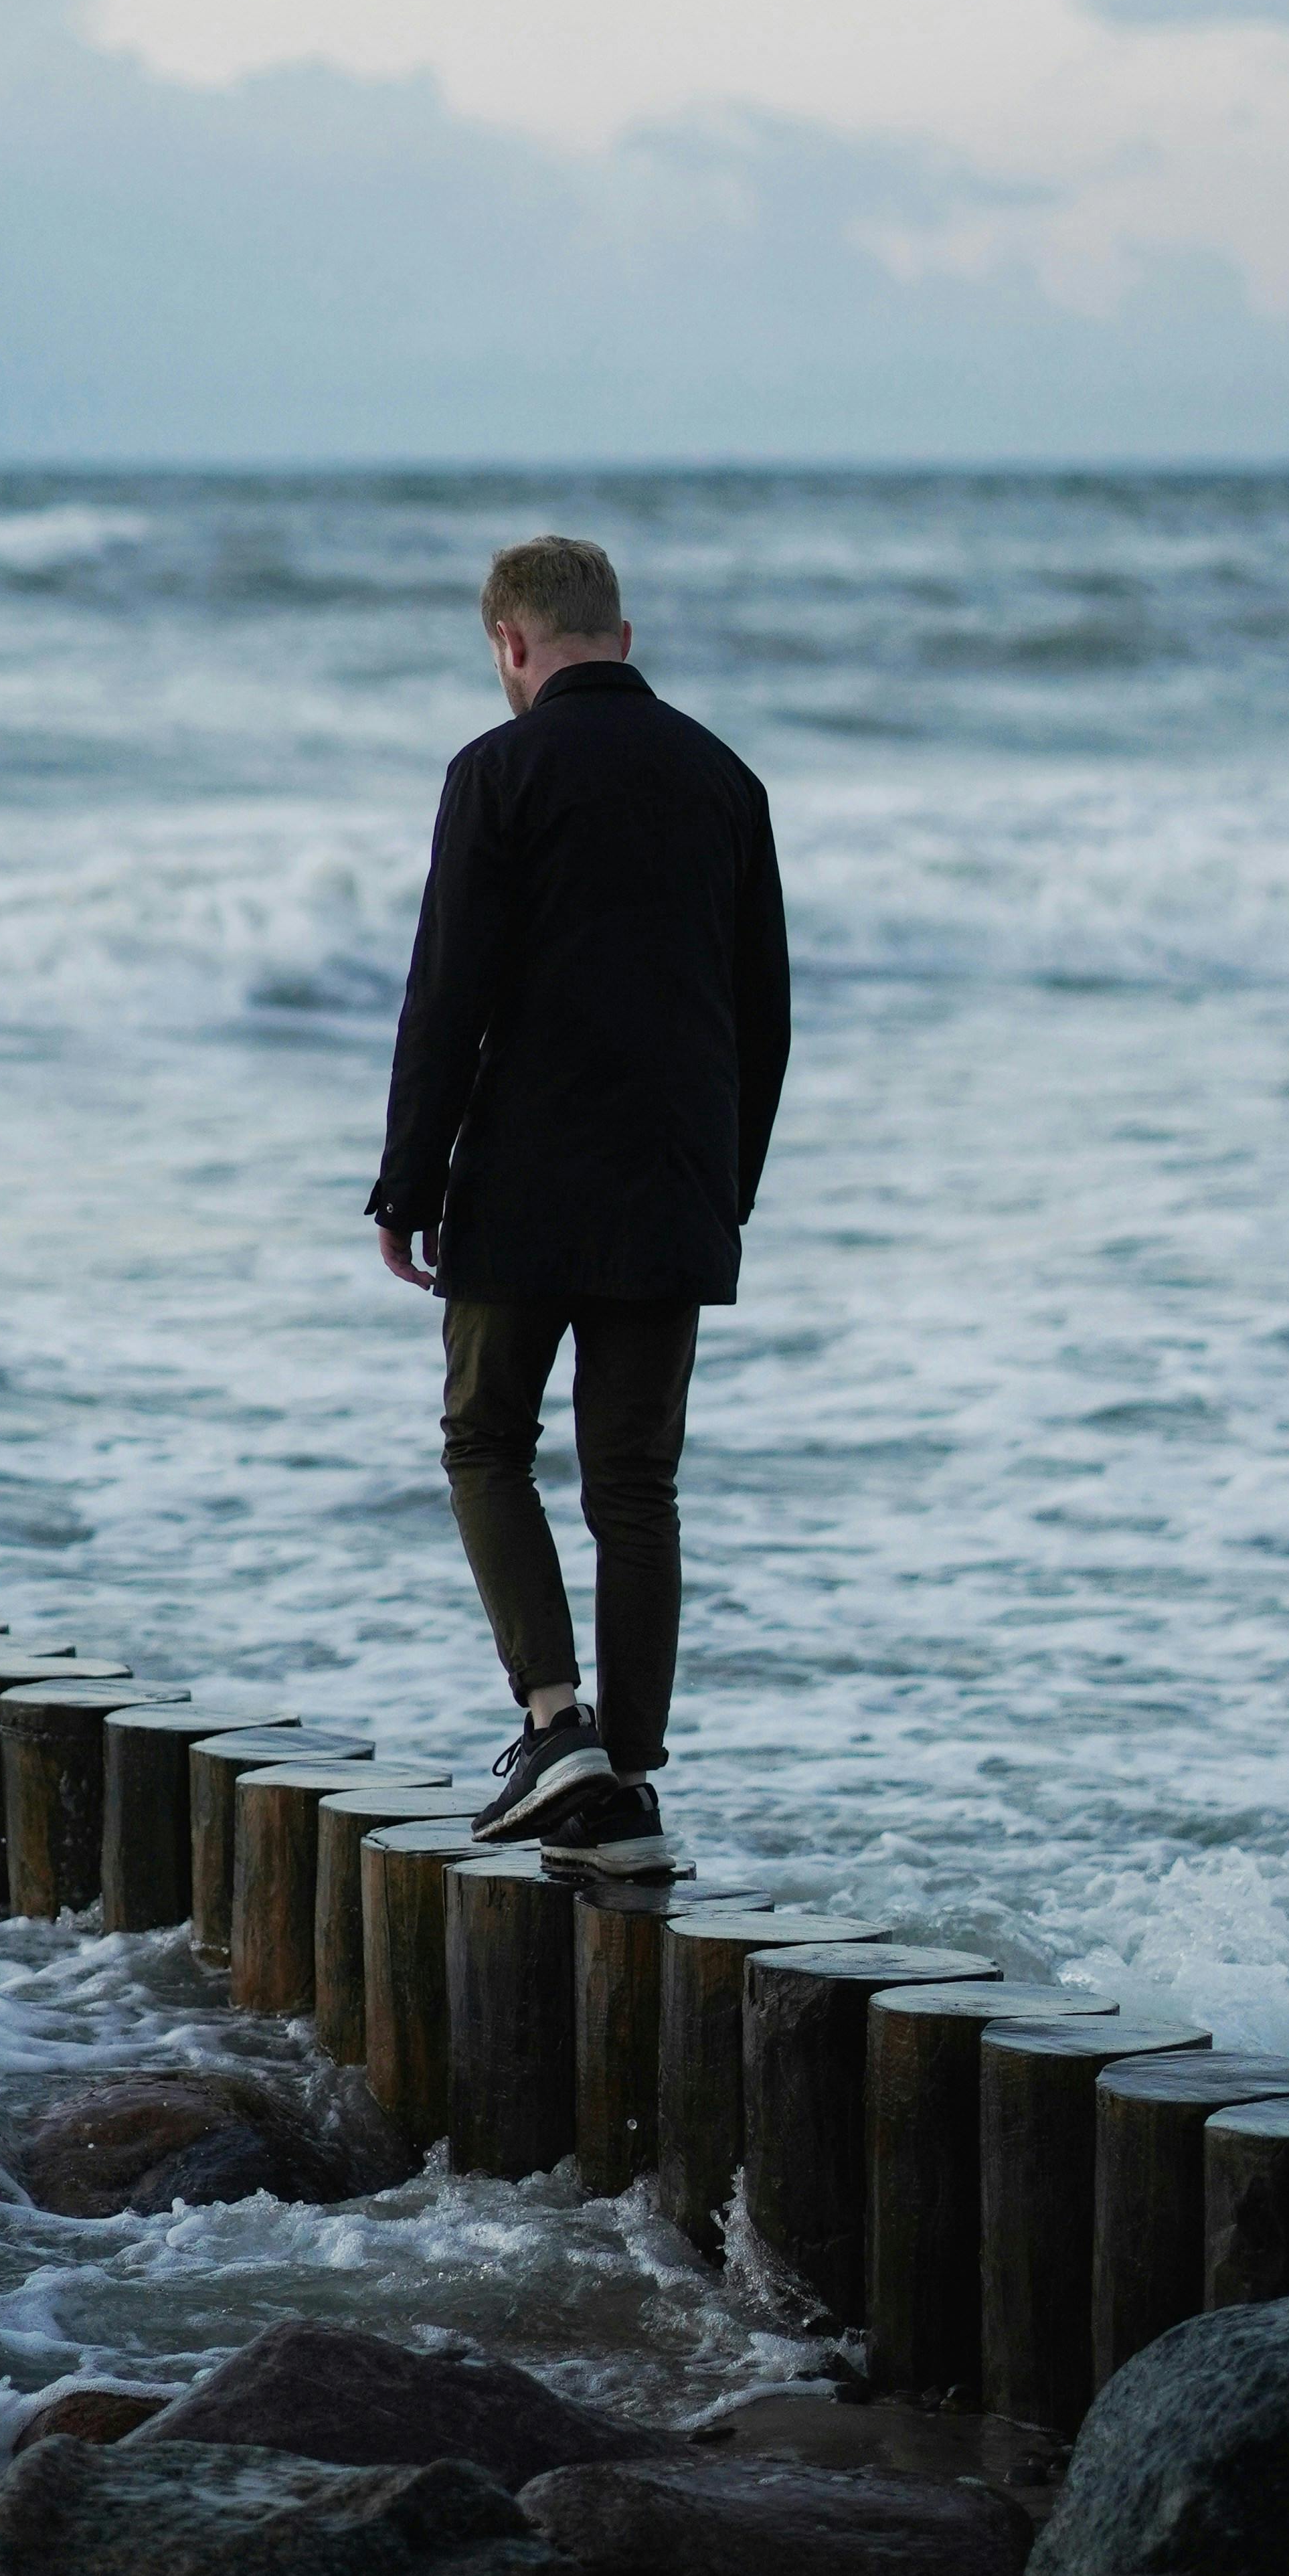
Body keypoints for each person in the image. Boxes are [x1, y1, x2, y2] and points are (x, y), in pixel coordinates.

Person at [367, 533, 790, 1875]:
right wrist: (724, 1193)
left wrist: (405, 1182)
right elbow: (764, 1021)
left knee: (485, 1439)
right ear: (620, 629)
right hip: (671, 1191)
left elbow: (448, 995)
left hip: (522, 1183)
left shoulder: (495, 772)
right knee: (635, 1487)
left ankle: (556, 1728)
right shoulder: (725, 780)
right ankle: (633, 1783)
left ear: (509, 644)